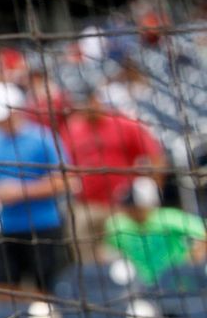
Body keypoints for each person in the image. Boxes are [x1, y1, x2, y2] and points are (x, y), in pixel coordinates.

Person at [0, 82, 69, 293]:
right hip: (6, 227)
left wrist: (20, 191)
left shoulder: (42, 138)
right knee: (5, 289)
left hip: (43, 225)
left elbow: (64, 180)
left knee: (47, 289)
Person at [58, 85, 166, 262]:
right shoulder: (71, 130)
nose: (85, 107)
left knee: (125, 256)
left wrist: (152, 191)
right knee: (85, 255)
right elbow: (64, 164)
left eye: (88, 102)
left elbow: (156, 157)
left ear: (97, 100)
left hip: (123, 205)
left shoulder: (124, 124)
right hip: (86, 204)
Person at [104, 178, 207, 285]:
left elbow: (204, 230)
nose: (130, 210)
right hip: (138, 283)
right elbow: (107, 251)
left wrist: (194, 254)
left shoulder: (168, 218)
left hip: (176, 278)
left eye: (133, 206)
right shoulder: (117, 224)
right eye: (128, 206)